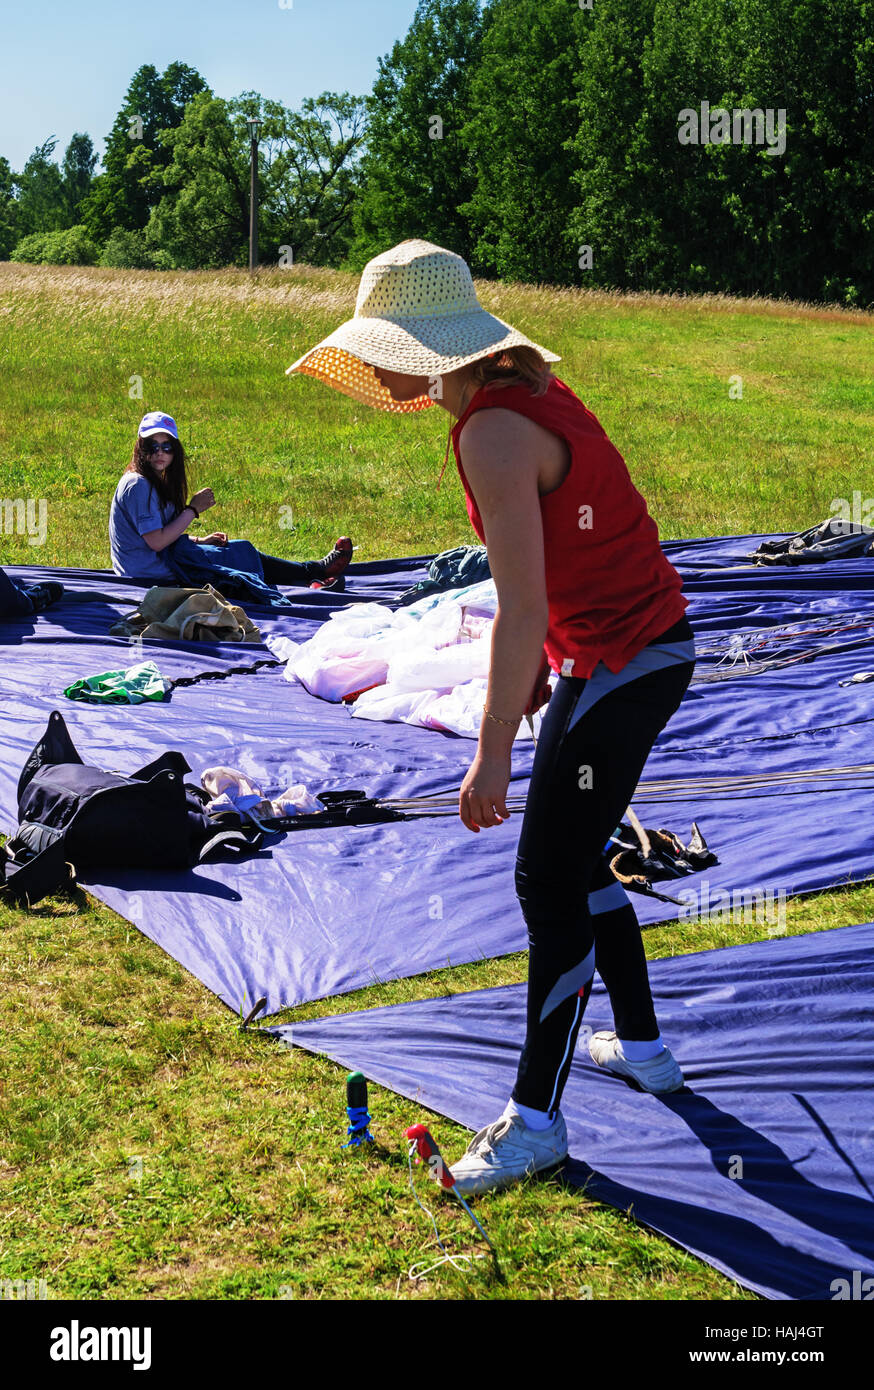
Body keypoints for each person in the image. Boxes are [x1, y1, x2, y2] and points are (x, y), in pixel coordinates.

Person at [287, 240, 696, 1196]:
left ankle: (537, 1124)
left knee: (545, 878)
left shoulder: (493, 431)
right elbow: (557, 573)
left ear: (422, 347)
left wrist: (492, 754)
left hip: (628, 659)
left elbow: (517, 600)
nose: (375, 365)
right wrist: (551, 665)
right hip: (619, 652)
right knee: (578, 860)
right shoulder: (515, 398)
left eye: (379, 342)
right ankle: (642, 1050)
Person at [109, 411, 353, 592]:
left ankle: (313, 574)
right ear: (141, 447)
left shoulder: (152, 480)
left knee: (238, 548)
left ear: (176, 450)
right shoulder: (138, 484)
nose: (160, 452)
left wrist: (198, 540)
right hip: (149, 572)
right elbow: (156, 542)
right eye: (153, 445)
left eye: (167, 446)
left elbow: (159, 533)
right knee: (234, 562)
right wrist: (193, 510)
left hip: (160, 560)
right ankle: (313, 576)